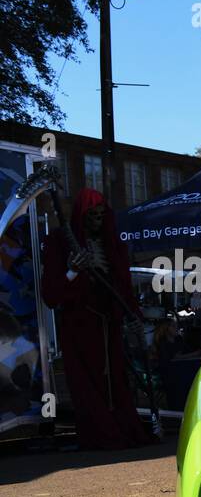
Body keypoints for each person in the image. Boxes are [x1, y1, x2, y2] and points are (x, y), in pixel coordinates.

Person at [39, 188, 153, 449]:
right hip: (80, 325)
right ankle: (99, 433)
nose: (97, 221)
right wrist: (73, 271)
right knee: (86, 383)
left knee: (115, 380)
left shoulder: (112, 245)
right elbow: (52, 294)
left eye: (102, 215)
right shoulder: (61, 242)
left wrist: (133, 316)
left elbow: (123, 286)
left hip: (108, 323)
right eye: (92, 215)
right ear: (83, 215)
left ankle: (120, 429)